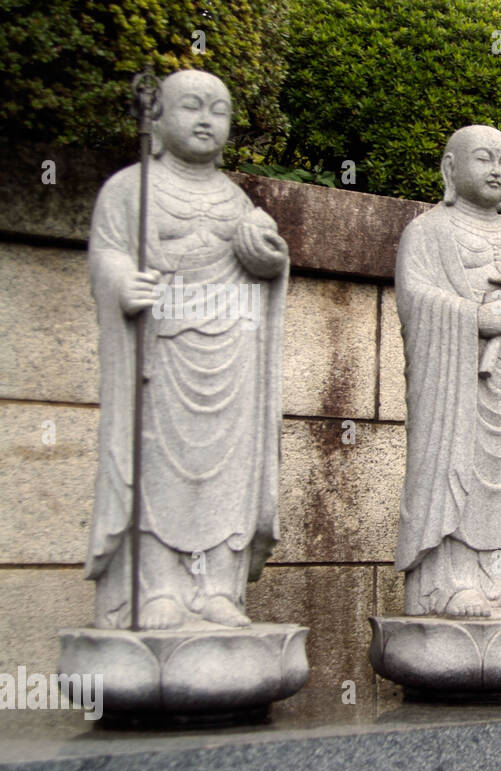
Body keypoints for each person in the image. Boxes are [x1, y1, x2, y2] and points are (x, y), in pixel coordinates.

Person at [87, 69, 288, 630]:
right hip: (163, 355)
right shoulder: (130, 191)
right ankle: (159, 591)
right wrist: (120, 281)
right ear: (156, 118)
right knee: (157, 468)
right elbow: (108, 254)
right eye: (192, 106)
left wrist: (270, 261)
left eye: (219, 110)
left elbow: (265, 272)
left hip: (232, 357)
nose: (206, 120)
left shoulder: (236, 202)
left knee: (226, 475)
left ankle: (216, 588)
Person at [394, 125, 501, 618]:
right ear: (449, 168)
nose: (497, 170)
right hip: (453, 386)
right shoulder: (427, 232)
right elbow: (414, 300)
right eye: (484, 158)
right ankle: (448, 582)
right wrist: (473, 318)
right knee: (454, 467)